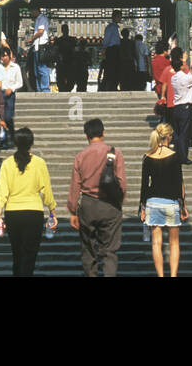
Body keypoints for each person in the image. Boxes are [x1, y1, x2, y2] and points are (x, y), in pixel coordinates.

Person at [0, 126, 58, 276]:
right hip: (33, 212)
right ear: (31, 143)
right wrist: (52, 212)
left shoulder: (7, 164)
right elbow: (46, 191)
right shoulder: (39, 163)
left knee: (17, 254)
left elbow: (2, 192)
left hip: (13, 213)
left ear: (15, 143)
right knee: (30, 256)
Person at [67, 117, 126, 277]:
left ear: (86, 135)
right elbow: (122, 183)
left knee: (88, 248)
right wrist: (119, 202)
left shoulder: (81, 156)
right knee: (109, 251)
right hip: (110, 206)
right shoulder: (115, 153)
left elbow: (75, 185)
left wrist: (73, 211)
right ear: (103, 133)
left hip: (88, 205)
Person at [139, 123, 189, 277]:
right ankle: (173, 275)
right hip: (170, 202)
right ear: (168, 136)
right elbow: (179, 182)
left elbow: (144, 185)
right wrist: (183, 205)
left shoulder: (148, 157)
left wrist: (142, 208)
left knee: (156, 243)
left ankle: (160, 275)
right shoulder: (174, 156)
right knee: (174, 243)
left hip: (152, 202)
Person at [0, 49, 24, 147]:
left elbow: (20, 83)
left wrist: (11, 89)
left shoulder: (15, 67)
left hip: (10, 95)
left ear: (9, 56)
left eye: (5, 56)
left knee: (8, 117)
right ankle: (3, 140)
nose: (3, 58)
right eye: (1, 56)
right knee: (1, 117)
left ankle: (11, 137)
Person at [28, 8, 54, 92]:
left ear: (36, 10)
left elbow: (40, 31)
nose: (31, 13)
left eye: (32, 11)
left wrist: (32, 38)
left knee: (42, 69)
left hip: (41, 46)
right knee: (37, 70)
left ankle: (45, 88)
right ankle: (39, 88)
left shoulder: (42, 18)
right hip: (36, 47)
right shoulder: (37, 19)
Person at [53, 23, 78, 92]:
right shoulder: (58, 40)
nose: (65, 31)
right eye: (64, 29)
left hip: (70, 63)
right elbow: (55, 51)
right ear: (62, 30)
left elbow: (75, 51)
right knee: (60, 80)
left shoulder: (72, 40)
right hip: (61, 63)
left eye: (66, 29)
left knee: (71, 80)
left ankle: (67, 90)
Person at [102, 10, 123, 90]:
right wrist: (104, 48)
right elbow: (107, 39)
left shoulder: (116, 28)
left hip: (116, 50)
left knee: (116, 69)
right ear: (114, 17)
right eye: (119, 16)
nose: (120, 18)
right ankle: (108, 87)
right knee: (111, 69)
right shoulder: (110, 28)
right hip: (112, 50)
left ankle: (113, 86)